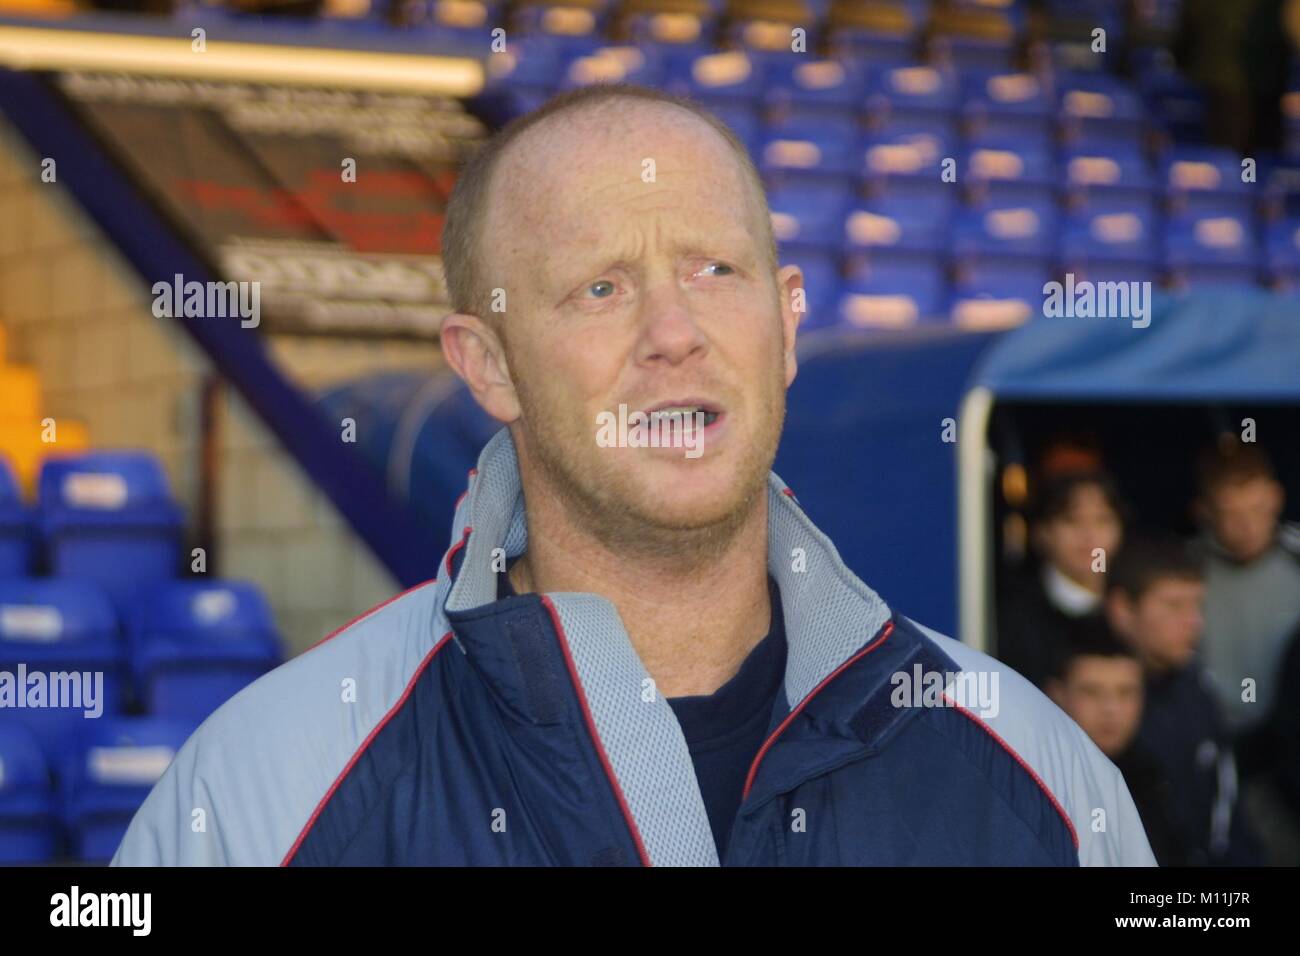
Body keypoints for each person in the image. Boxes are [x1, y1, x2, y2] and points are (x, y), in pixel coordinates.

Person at [112, 84, 1154, 866]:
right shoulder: (264, 790)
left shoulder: (1042, 778)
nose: (674, 333)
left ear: (787, 323)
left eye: (714, 269)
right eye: (600, 285)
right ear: (488, 364)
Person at [1105, 538, 1262, 865]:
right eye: (1174, 606)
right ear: (1123, 610)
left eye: (1197, 606)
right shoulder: (1077, 697)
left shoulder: (1198, 692)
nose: (1194, 623)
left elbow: (1228, 818)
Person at [1044, 622, 1187, 866]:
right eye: (1091, 692)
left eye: (1126, 692)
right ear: (1056, 695)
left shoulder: (1161, 780)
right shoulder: (1037, 782)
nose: (1111, 709)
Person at [1192, 441, 1300, 745]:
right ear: (1204, 511)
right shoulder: (1185, 571)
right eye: (1232, 513)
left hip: (1289, 738)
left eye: (1257, 509)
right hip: (1213, 736)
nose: (1248, 525)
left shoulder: (1296, 560)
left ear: (1276, 497)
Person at [997, 470, 1125, 688]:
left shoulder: (1132, 606)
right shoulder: (1012, 613)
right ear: (1042, 532)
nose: (1089, 535)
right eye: (1072, 521)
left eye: (1102, 521)